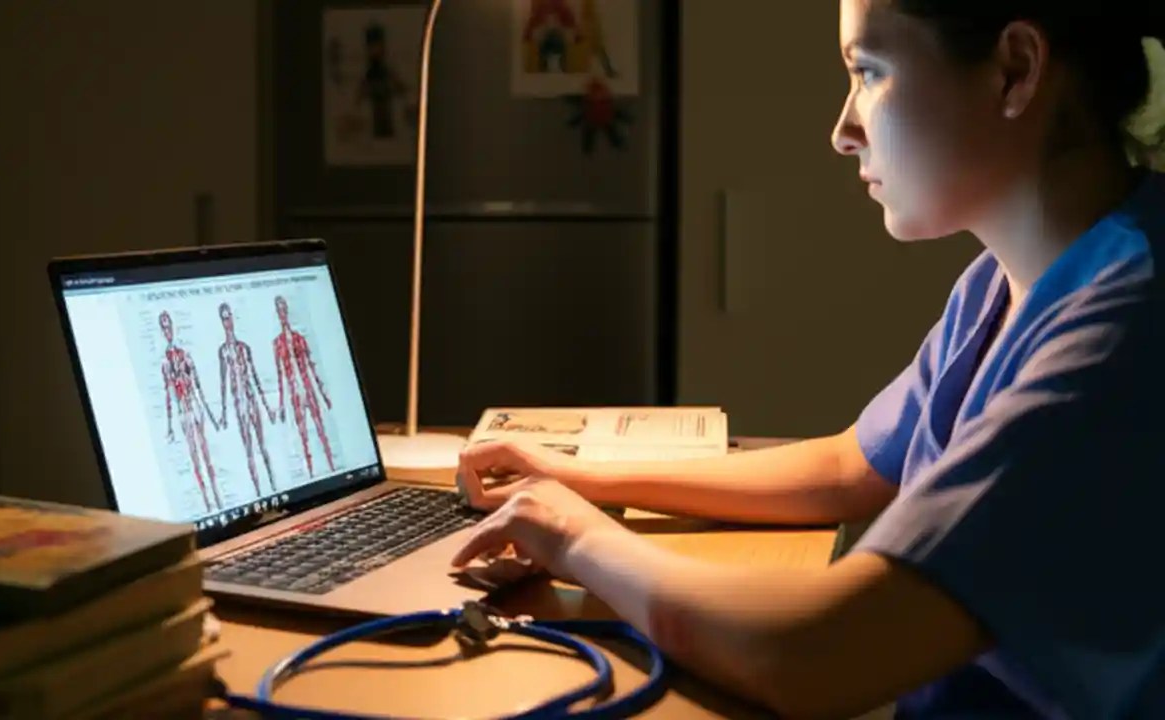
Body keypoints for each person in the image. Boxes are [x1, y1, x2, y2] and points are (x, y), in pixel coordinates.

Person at [452, 1, 1165, 717]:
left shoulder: (1123, 328)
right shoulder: (1000, 286)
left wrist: (574, 535)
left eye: (868, 71)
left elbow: (819, 653)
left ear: (1015, 70)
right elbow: (849, 467)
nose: (843, 130)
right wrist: (582, 478)